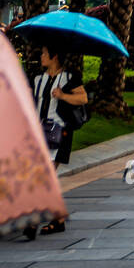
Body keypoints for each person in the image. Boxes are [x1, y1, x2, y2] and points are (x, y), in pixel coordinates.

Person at [23, 44, 89, 239]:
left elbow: (83, 98)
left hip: (58, 134)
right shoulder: (36, 77)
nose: (41, 56)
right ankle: (58, 218)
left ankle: (33, 221)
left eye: (44, 53)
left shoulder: (69, 78)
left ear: (54, 57)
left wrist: (63, 95)